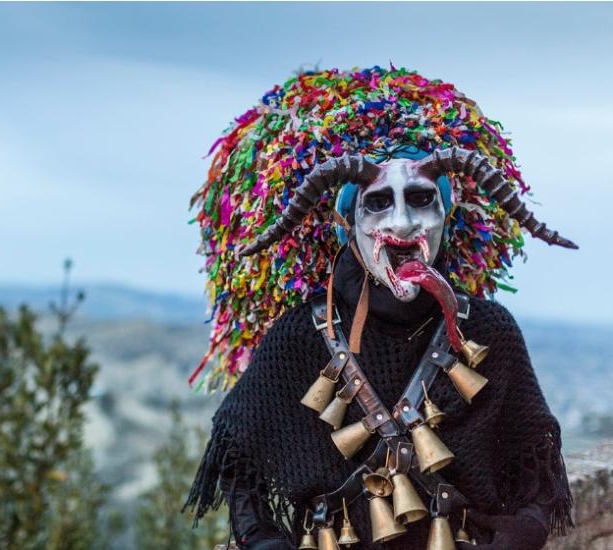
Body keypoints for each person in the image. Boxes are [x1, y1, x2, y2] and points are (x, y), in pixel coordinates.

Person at [184, 67, 574, 550]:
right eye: (378, 204)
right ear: (348, 227)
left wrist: (523, 530)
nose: (404, 223)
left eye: (421, 199)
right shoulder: (302, 337)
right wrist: (262, 538)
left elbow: (535, 462)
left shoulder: (490, 330)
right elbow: (236, 450)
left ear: (445, 218)